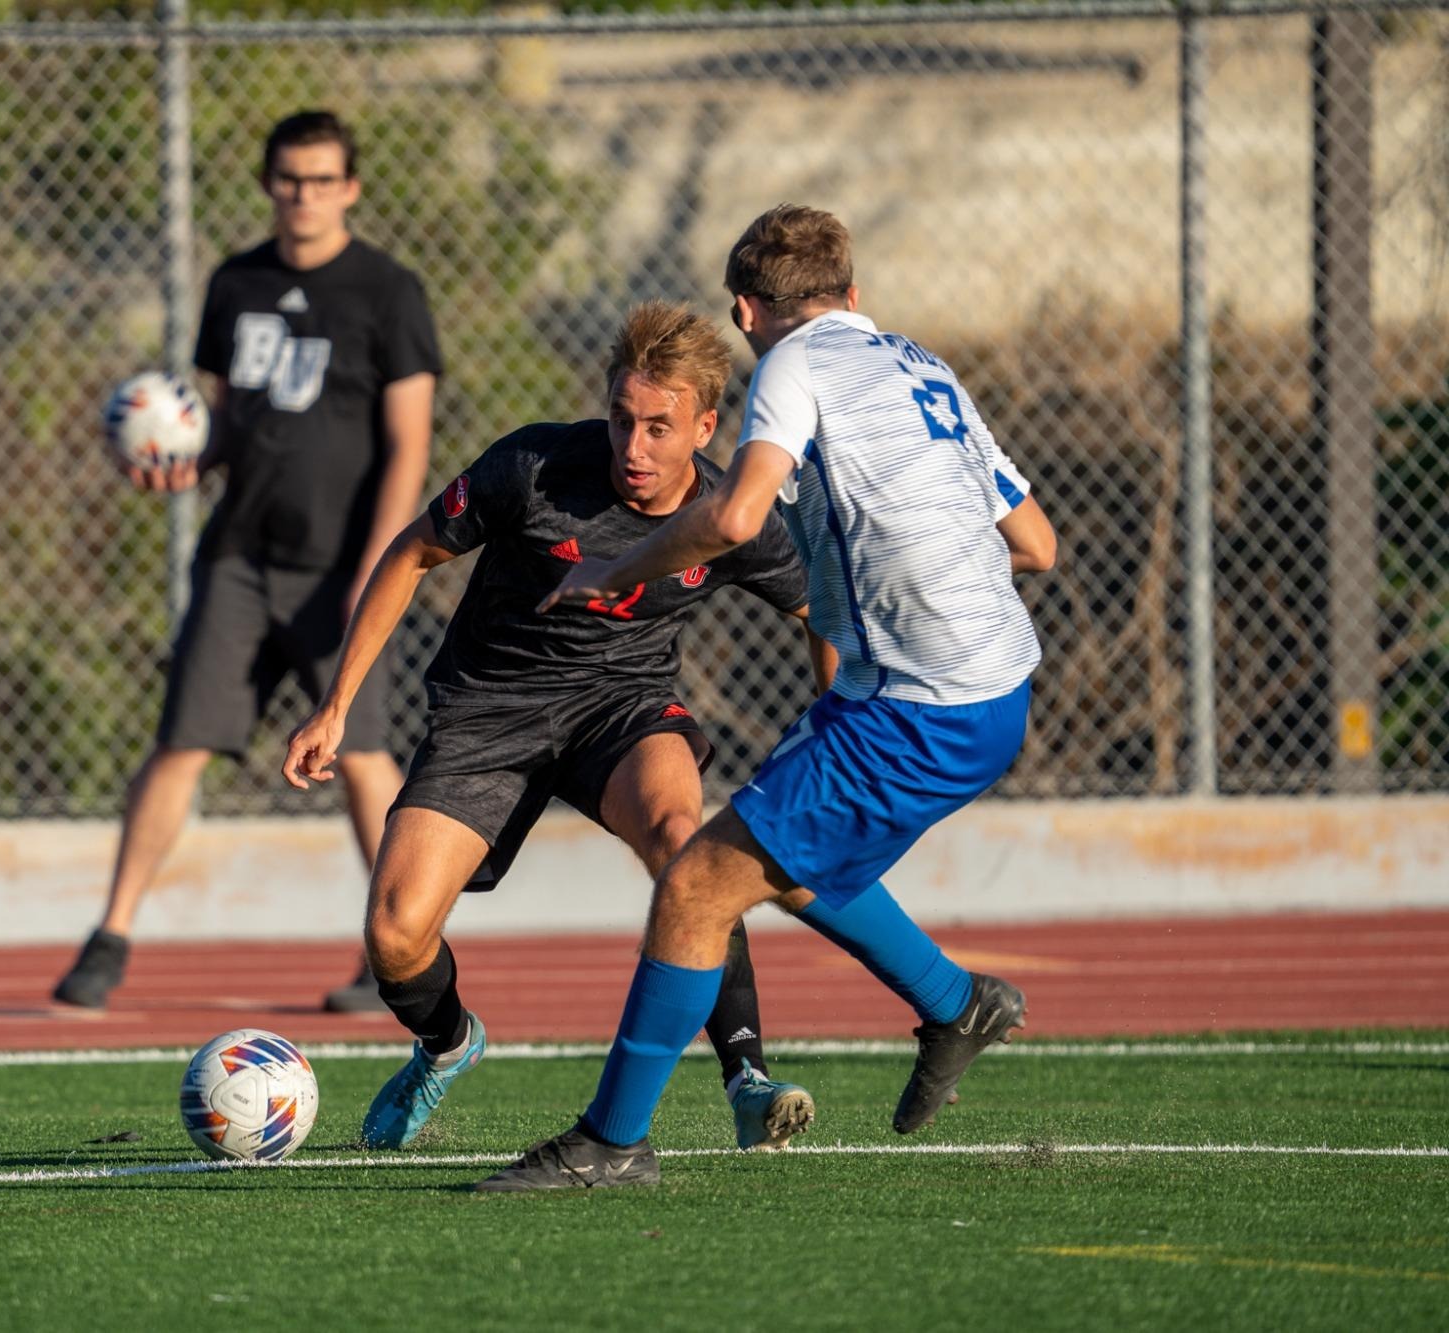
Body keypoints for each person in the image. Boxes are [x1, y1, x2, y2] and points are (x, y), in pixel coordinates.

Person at [478, 204, 1058, 1191]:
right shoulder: (919, 364)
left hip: (916, 705)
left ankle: (612, 1143)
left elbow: (735, 514)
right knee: (776, 859)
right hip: (991, 682)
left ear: (745, 311)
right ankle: (953, 1002)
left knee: (696, 888)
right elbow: (1035, 545)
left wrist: (612, 569)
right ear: (852, 298)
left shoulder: (792, 366)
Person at [284, 301, 833, 1152]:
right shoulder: (533, 465)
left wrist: (832, 725)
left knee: (686, 844)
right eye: (621, 420)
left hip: (624, 710)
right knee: (394, 934)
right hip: (487, 711)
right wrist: (336, 705)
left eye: (659, 427)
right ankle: (447, 1042)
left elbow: (819, 612)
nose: (634, 448)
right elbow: (411, 553)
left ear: (705, 425)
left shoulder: (731, 514)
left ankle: (748, 1078)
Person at [53, 110, 442, 1013]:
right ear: (269, 184)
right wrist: (189, 459)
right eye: (288, 179)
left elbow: (409, 443)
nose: (303, 195)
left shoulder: (388, 292)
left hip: (343, 568)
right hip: (239, 557)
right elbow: (226, 418)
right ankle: (110, 934)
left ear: (349, 187)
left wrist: (379, 566)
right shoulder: (237, 282)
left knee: (362, 752)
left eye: (321, 179)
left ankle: (398, 946)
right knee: (180, 743)